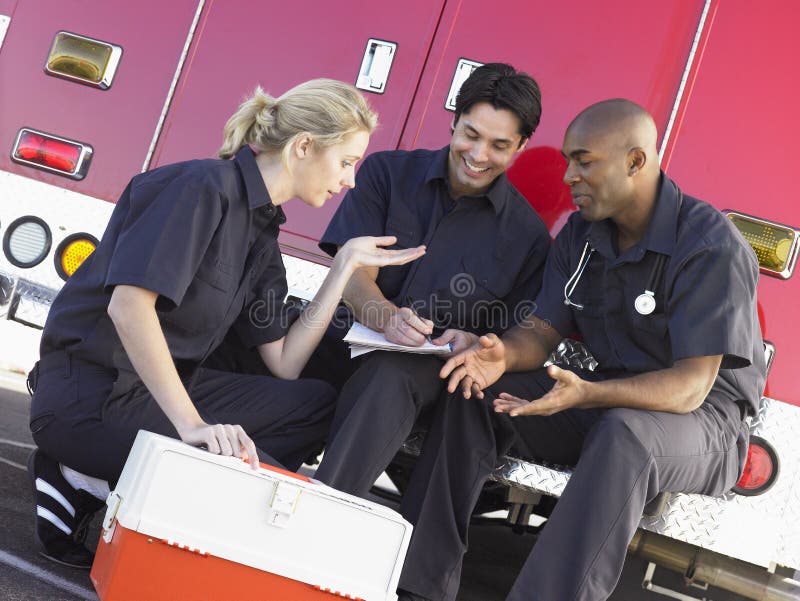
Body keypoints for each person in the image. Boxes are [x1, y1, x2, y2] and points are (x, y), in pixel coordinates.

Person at [26, 79, 425, 569]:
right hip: (90, 400)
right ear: (303, 147)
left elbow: (285, 362)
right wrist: (193, 426)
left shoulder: (262, 231)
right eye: (346, 162)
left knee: (313, 404)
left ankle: (145, 492)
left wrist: (342, 269)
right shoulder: (198, 189)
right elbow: (129, 306)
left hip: (151, 399)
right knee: (232, 468)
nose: (350, 181)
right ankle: (81, 473)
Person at [396, 99, 766, 601]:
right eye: (569, 159)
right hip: (608, 400)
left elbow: (689, 388)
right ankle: (415, 584)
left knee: (624, 435)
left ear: (635, 162)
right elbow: (542, 329)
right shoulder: (583, 235)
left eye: (584, 161)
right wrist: (502, 354)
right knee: (474, 389)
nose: (569, 175)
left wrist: (589, 394)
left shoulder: (708, 245)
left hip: (706, 423)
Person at [308, 63, 551, 500]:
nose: (478, 155)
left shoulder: (529, 238)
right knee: (269, 350)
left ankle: (318, 510)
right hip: (343, 342)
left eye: (499, 145)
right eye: (471, 135)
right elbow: (353, 273)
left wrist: (479, 340)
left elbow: (513, 337)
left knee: (390, 374)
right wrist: (385, 317)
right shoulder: (386, 174)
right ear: (454, 120)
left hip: (421, 376)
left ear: (520, 146)